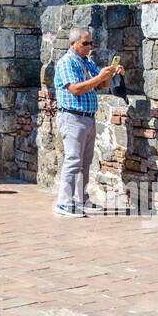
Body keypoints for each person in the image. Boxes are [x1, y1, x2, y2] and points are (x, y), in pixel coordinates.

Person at [53, 27, 125, 217]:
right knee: (73, 160)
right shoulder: (66, 63)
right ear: (73, 44)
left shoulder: (87, 61)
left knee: (85, 162)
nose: (89, 46)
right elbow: (75, 89)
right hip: (72, 117)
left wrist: (111, 73)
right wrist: (100, 77)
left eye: (91, 43)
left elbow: (102, 85)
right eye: (85, 43)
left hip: (87, 117)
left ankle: (80, 199)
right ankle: (64, 202)